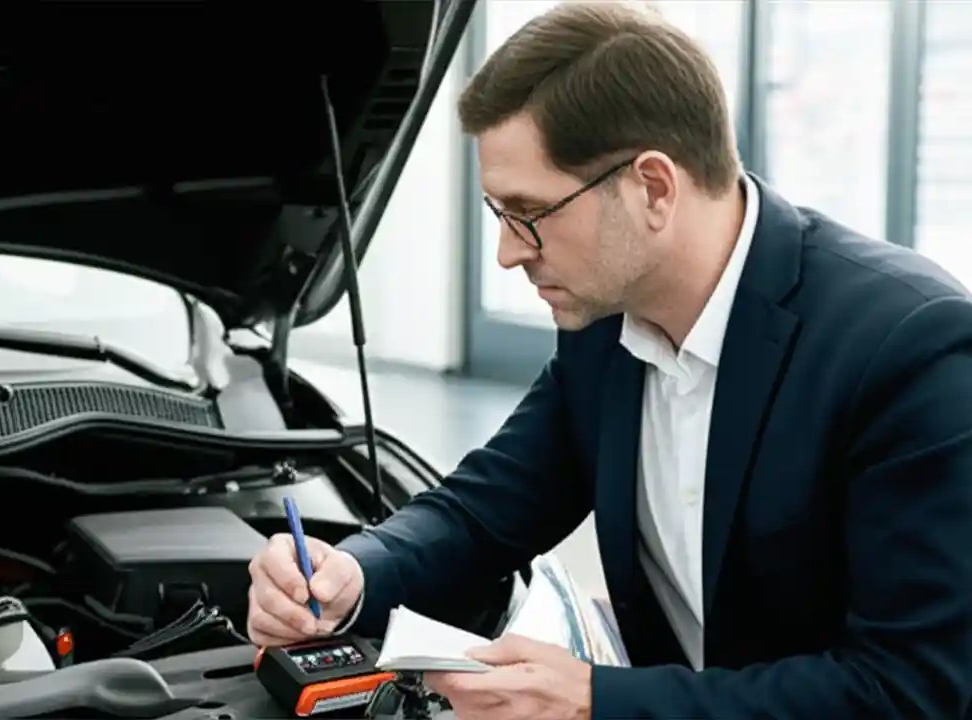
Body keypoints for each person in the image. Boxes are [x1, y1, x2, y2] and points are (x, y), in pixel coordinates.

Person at [246, 1, 972, 718]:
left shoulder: (908, 348)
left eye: (529, 214)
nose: (507, 253)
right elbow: (482, 513)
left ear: (653, 188)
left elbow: (908, 690)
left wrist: (595, 700)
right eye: (499, 216)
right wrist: (352, 575)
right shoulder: (603, 325)